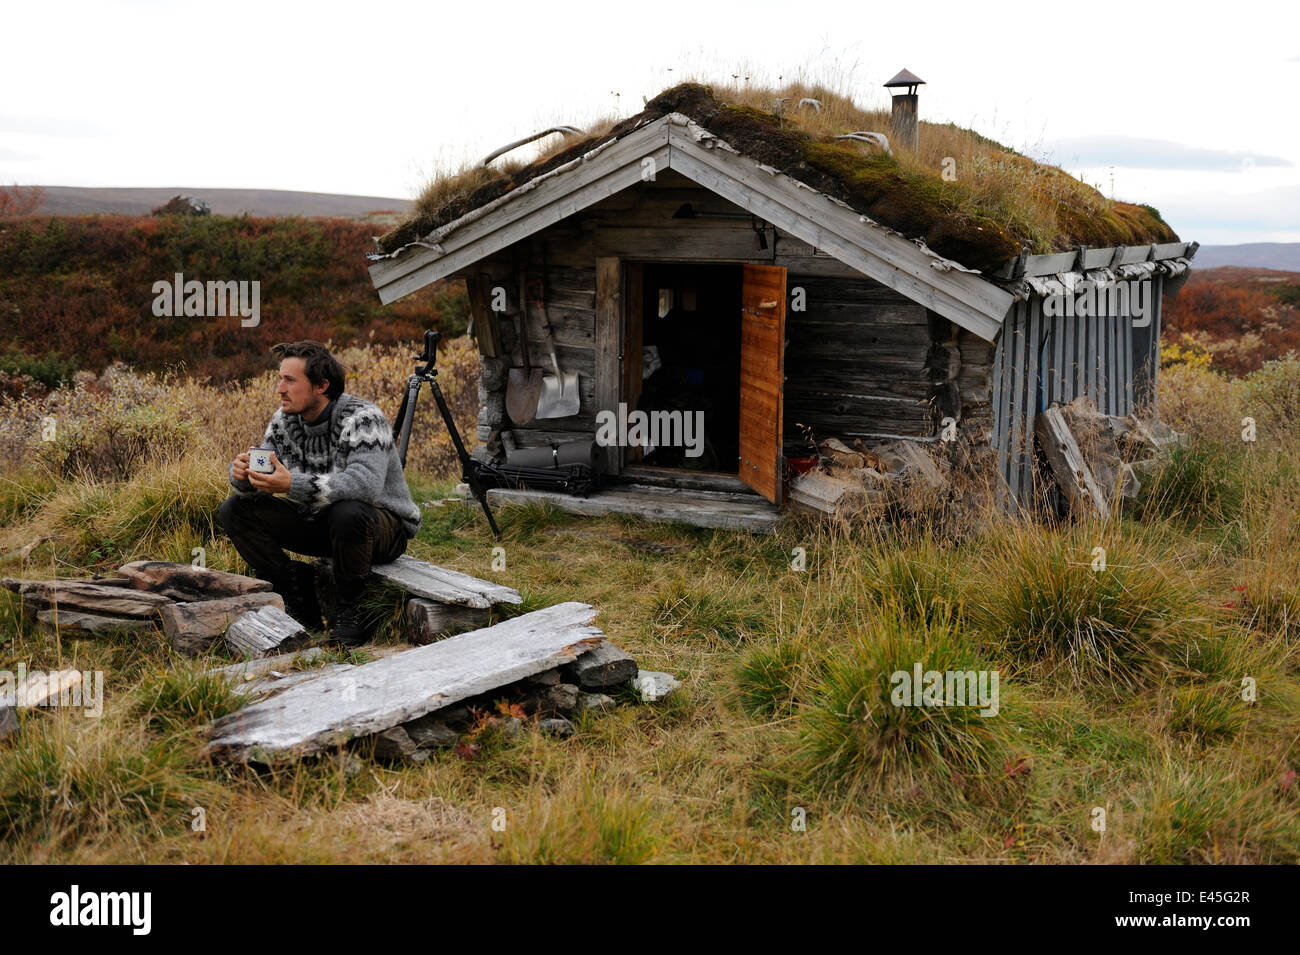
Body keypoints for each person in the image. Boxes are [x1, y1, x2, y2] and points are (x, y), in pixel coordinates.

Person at [218, 341, 421, 647]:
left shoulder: (364, 418)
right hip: (322, 523)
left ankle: (352, 612)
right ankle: (297, 594)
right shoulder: (283, 421)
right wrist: (244, 477)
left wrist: (291, 485)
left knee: (348, 510)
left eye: (290, 380)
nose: (280, 389)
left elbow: (364, 486)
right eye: (280, 379)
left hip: (380, 527)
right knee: (235, 509)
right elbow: (267, 474)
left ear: (321, 385)